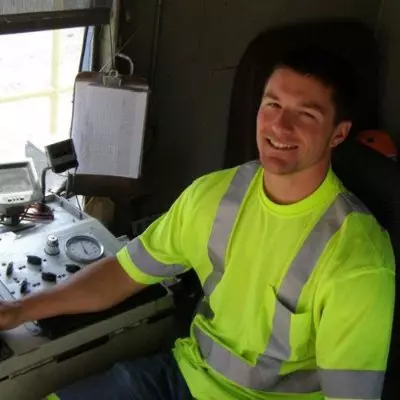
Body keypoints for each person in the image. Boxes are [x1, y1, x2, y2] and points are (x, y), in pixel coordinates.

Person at [0, 47, 395, 400]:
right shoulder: (215, 194)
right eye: (272, 105)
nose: (280, 126)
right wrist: (18, 310)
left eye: (306, 115)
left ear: (338, 134)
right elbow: (124, 272)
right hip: (181, 377)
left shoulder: (357, 259)